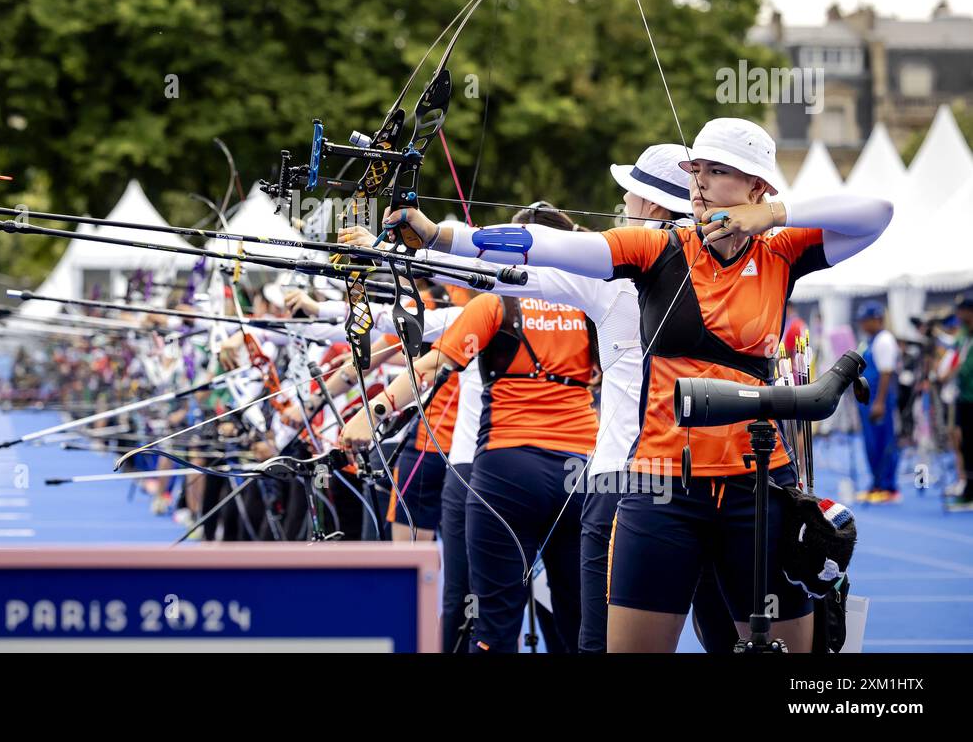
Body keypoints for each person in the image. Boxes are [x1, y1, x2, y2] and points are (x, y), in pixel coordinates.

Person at [382, 117, 893, 652]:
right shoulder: (658, 248)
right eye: (696, 171)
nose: (698, 185)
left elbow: (878, 214)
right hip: (661, 487)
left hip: (757, 483)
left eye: (716, 172)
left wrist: (769, 216)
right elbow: (549, 246)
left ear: (755, 185)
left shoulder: (780, 250)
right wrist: (443, 236)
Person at [344, 204, 597, 653]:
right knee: (579, 623)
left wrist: (372, 414)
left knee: (494, 621)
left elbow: (432, 365)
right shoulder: (592, 304)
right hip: (582, 473)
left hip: (507, 470)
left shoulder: (494, 301)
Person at [855, 301, 901, 503]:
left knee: (883, 441)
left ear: (878, 319)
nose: (863, 324)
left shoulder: (884, 340)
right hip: (867, 400)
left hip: (878, 399)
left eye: (867, 320)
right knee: (871, 444)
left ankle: (888, 486)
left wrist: (880, 402)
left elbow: (886, 373)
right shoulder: (869, 341)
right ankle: (876, 482)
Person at [944, 297, 973, 510]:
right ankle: (968, 487)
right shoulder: (963, 337)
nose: (959, 316)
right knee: (965, 443)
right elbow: (952, 351)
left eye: (962, 312)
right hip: (964, 397)